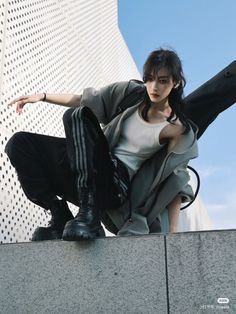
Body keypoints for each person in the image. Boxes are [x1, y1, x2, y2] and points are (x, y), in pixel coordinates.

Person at [5, 48, 199, 241]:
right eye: (149, 78)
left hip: (116, 187)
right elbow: (84, 100)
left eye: (163, 80)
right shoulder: (131, 94)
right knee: (20, 143)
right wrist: (43, 96)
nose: (154, 87)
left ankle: (89, 215)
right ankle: (59, 215)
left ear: (176, 83)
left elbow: (177, 180)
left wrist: (173, 234)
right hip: (88, 168)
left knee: (78, 116)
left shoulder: (177, 129)